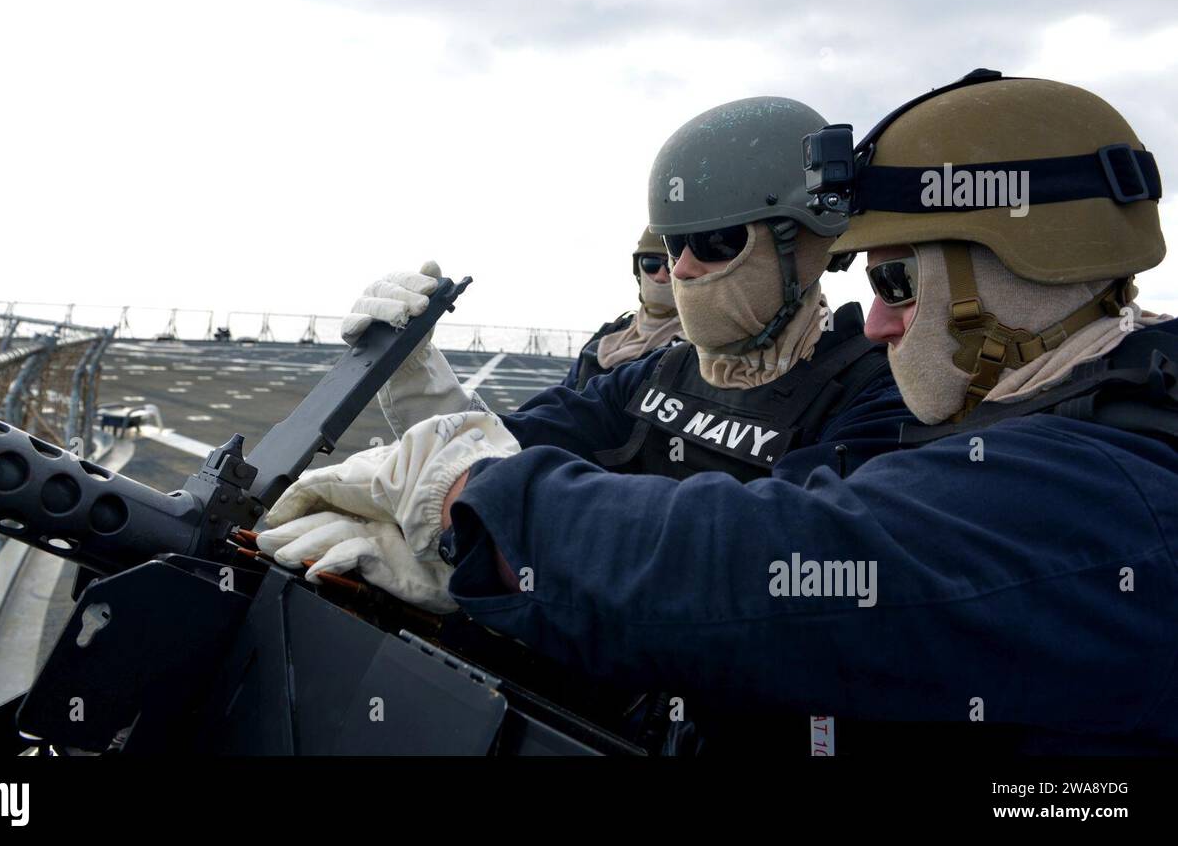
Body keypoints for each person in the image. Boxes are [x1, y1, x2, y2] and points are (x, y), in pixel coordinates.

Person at [299, 69, 1177, 755]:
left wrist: (476, 514)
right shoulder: (657, 376)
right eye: (667, 250)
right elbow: (516, 444)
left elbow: (782, 566)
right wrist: (426, 410)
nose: (878, 319)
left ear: (1019, 269)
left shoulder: (1103, 487)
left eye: (897, 279)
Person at [258, 96, 912, 751]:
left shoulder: (873, 397)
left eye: (717, 242)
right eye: (675, 244)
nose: (681, 268)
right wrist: (417, 379)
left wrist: (509, 574)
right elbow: (497, 459)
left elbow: (772, 583)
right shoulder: (656, 373)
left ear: (806, 244)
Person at [562, 226, 681, 391]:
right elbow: (565, 396)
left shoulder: (700, 351)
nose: (660, 277)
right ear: (637, 270)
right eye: (651, 264)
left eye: (670, 266)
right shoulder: (609, 336)